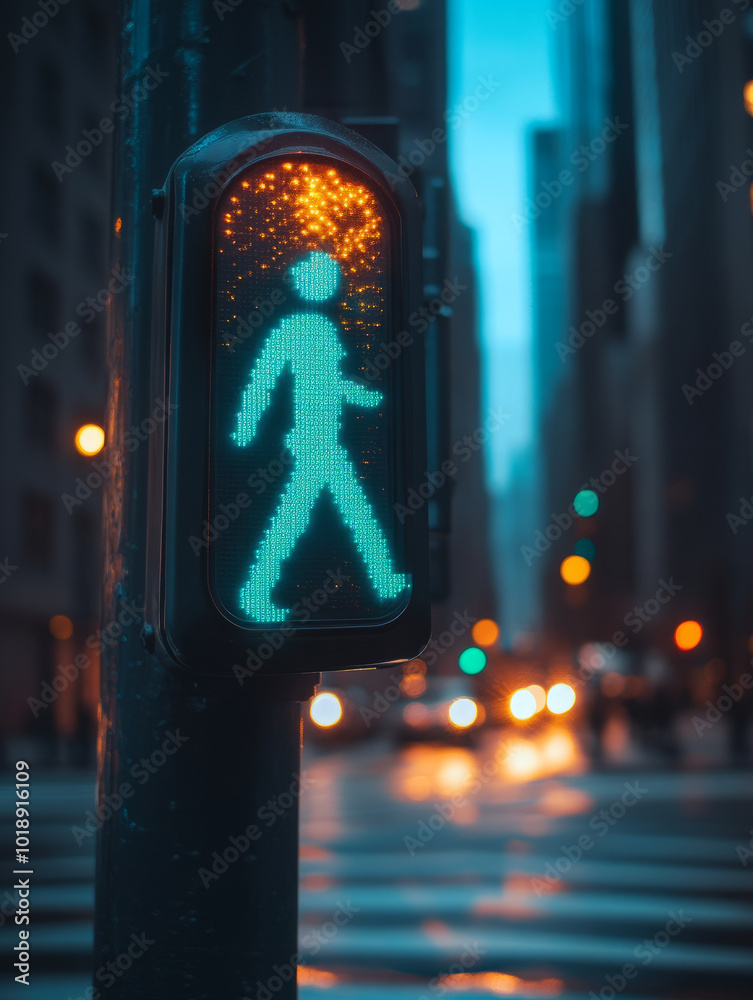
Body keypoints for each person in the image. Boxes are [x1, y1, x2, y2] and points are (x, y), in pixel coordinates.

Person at [233, 250, 407, 622]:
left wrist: (361, 396)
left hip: (326, 440)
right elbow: (264, 376)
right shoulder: (293, 329)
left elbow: (329, 383)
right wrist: (246, 425)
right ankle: (255, 592)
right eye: (324, 277)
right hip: (312, 442)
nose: (331, 284)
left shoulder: (322, 329)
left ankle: (385, 580)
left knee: (345, 515)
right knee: (299, 519)